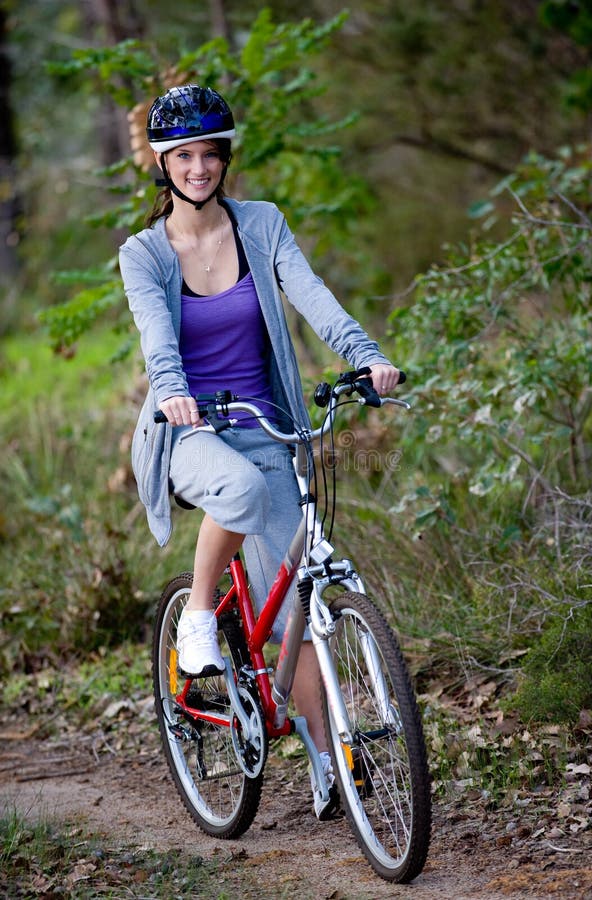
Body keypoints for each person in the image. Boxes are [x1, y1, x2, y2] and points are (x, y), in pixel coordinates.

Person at [119, 85, 400, 819]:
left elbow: (312, 294)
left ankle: (324, 754)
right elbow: (156, 336)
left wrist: (365, 355)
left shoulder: (262, 225)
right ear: (164, 164)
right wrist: (174, 390)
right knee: (237, 490)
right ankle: (199, 618)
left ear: (224, 158)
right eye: (184, 155)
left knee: (298, 605)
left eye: (211, 154)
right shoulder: (144, 252)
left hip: (268, 425)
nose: (200, 168)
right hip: (190, 430)